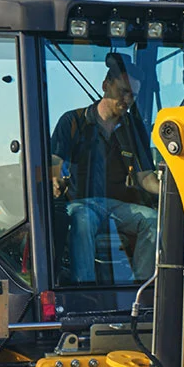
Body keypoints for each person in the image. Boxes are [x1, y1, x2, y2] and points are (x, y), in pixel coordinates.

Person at [49, 60, 160, 283]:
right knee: (82, 220)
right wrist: (54, 179)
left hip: (117, 205)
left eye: (133, 95)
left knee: (153, 220)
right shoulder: (73, 121)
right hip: (81, 203)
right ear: (105, 85)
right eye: (123, 92)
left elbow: (144, 176)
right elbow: (54, 163)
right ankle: (85, 288)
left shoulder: (133, 128)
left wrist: (170, 189)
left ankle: (141, 288)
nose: (128, 100)